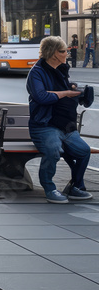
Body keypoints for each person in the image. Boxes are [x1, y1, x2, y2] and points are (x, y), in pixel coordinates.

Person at [26, 36, 93, 203]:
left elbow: (60, 91)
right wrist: (66, 93)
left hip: (65, 125)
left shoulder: (61, 69)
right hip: (44, 125)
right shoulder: (37, 72)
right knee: (53, 150)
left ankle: (74, 186)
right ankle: (49, 188)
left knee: (84, 151)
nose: (66, 53)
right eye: (63, 51)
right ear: (53, 53)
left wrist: (74, 90)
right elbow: (41, 97)